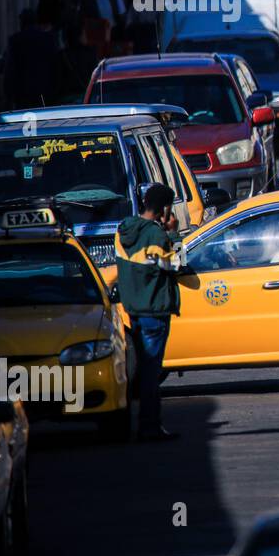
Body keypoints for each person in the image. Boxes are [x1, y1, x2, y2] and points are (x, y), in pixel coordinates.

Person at [115, 183, 181, 441]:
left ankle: (137, 422)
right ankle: (150, 425)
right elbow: (176, 263)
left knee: (141, 370)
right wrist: (173, 235)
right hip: (154, 310)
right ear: (164, 209)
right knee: (151, 373)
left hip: (133, 310)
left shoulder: (123, 231)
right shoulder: (157, 236)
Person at [2, 7, 61, 109]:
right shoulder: (48, 38)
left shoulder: (15, 40)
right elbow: (56, 65)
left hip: (23, 93)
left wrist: (8, 95)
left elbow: (10, 69)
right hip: (46, 90)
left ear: (22, 22)